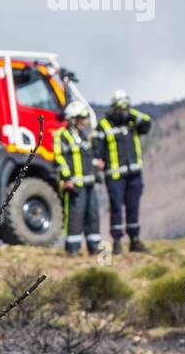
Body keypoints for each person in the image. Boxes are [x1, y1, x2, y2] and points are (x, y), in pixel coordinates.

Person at [95, 90, 153, 254]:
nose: (123, 110)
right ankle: (117, 242)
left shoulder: (132, 120)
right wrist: (97, 163)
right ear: (113, 107)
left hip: (134, 173)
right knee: (116, 208)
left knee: (133, 206)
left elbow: (147, 124)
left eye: (125, 107)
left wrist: (132, 114)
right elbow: (96, 150)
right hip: (114, 175)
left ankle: (134, 240)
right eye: (120, 107)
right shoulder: (104, 125)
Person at [53, 100, 103, 256]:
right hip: (74, 186)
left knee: (92, 216)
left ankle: (94, 247)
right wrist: (67, 178)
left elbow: (87, 158)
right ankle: (72, 249)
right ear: (73, 118)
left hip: (89, 184)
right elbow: (59, 159)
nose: (85, 121)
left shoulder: (83, 136)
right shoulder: (63, 136)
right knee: (74, 216)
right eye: (82, 117)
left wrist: (97, 165)